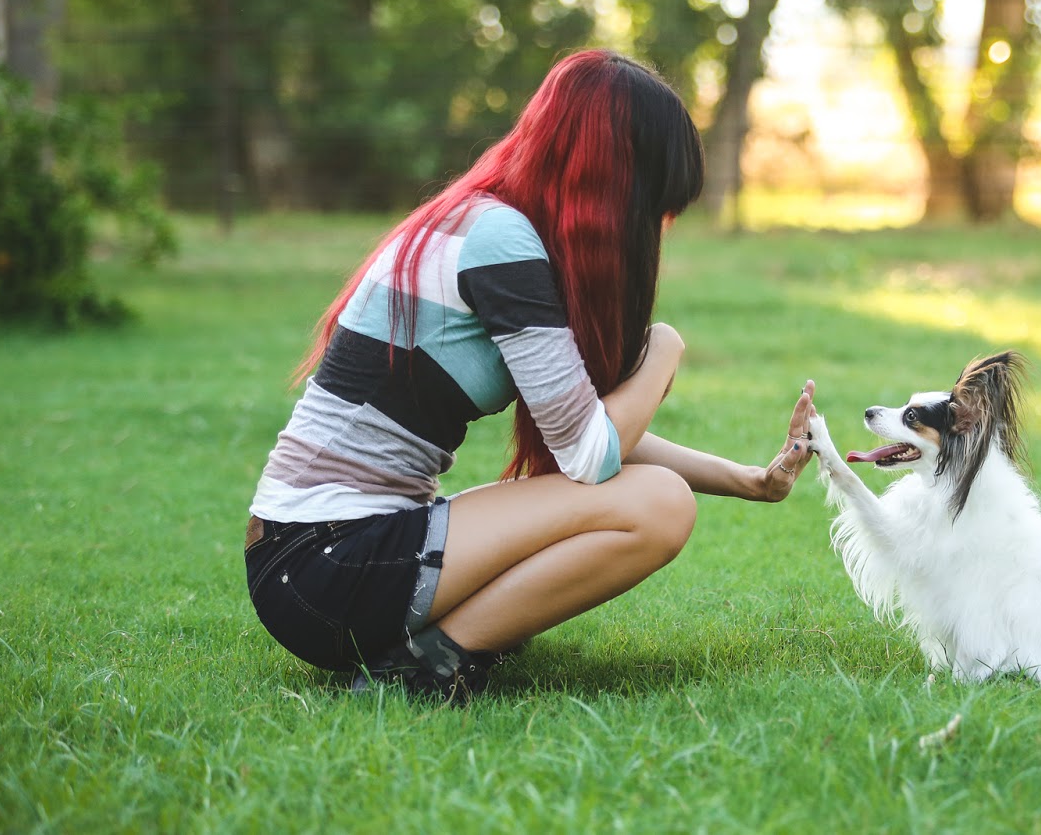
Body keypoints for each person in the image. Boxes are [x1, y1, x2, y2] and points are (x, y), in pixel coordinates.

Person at [244, 49, 818, 704]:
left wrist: (751, 481)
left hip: (321, 560)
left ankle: (430, 649)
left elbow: (583, 433)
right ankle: (427, 667)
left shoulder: (488, 225)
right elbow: (591, 458)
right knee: (659, 504)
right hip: (324, 562)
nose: (654, 232)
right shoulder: (498, 240)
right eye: (653, 206)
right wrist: (663, 351)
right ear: (615, 182)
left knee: (652, 493)